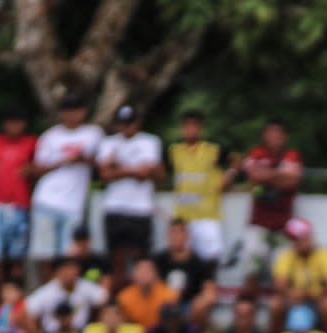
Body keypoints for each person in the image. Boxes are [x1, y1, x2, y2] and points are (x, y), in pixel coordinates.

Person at [29, 96, 103, 271]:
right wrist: (65, 161)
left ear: (83, 112)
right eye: (68, 111)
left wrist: (82, 159)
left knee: (70, 254)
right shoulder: (50, 136)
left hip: (74, 204)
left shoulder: (93, 133)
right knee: (44, 253)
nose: (72, 115)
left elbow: (101, 163)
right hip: (46, 200)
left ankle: (66, 286)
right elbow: (38, 169)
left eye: (76, 110)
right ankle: (49, 285)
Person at [227, 119, 303, 288]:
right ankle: (248, 302)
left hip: (283, 227)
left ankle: (279, 304)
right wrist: (279, 174)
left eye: (278, 134)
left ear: (285, 137)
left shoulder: (292, 156)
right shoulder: (257, 153)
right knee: (251, 270)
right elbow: (253, 176)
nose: (274, 137)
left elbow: (292, 180)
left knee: (282, 276)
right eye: (270, 133)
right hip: (258, 224)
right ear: (264, 136)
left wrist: (265, 175)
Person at [97, 105, 164, 286]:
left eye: (130, 123)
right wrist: (134, 170)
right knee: (116, 259)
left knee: (141, 259)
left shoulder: (150, 141)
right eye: (123, 123)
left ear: (138, 123)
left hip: (141, 209)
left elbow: (147, 173)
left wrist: (118, 167)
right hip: (114, 208)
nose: (126, 127)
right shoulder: (108, 142)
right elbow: (105, 175)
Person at [0, 110, 38, 278]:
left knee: (17, 254)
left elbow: (41, 164)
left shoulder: (31, 142)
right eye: (10, 122)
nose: (14, 126)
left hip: (20, 203)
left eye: (17, 122)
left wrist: (31, 169)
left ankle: (14, 288)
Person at [167, 110, 226, 264]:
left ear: (201, 128)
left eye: (194, 126)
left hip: (207, 215)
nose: (190, 130)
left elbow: (225, 177)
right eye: (187, 126)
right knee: (184, 259)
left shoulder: (213, 150)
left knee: (211, 258)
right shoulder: (175, 151)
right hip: (184, 216)